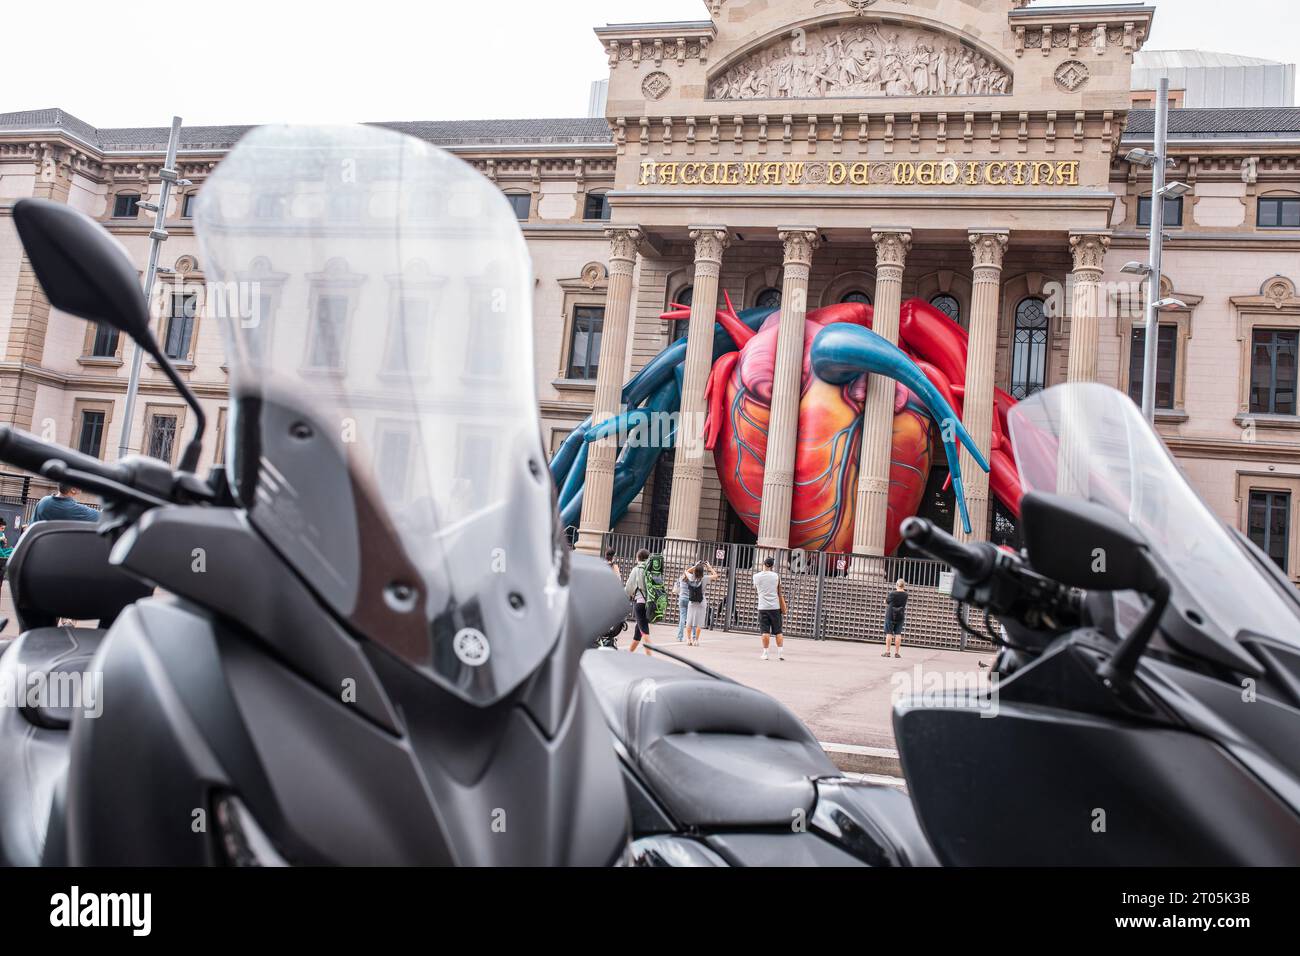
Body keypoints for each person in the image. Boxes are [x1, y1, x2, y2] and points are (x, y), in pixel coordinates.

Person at [753, 556, 785, 661]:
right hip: (775, 607)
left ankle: (765, 653)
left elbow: (756, 588)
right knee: (778, 631)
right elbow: (779, 591)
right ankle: (780, 653)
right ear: (772, 565)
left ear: (764, 563)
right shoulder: (776, 576)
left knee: (765, 631)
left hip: (763, 607)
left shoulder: (756, 576)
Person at [680, 561, 719, 647]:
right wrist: (709, 567)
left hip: (692, 601)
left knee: (689, 621)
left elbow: (685, 571)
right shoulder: (704, 578)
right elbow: (716, 576)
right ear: (702, 571)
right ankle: (696, 640)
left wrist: (695, 566)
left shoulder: (691, 577)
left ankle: (688, 639)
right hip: (701, 601)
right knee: (699, 622)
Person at [624, 549, 653, 656]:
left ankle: (650, 657)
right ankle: (629, 654)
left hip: (640, 603)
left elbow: (628, 588)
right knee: (639, 630)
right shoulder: (652, 570)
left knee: (644, 631)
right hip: (651, 604)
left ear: (638, 558)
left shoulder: (637, 569)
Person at [32, 483, 99, 523]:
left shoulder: (44, 500)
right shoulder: (75, 510)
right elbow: (101, 516)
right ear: (73, 490)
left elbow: (31, 524)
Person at [883, 579, 909, 658]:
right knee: (898, 634)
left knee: (889, 633)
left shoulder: (892, 593)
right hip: (900, 615)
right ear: (904, 585)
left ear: (896, 585)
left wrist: (885, 601)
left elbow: (886, 602)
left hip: (890, 615)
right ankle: (897, 653)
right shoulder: (905, 595)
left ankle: (887, 652)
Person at [674, 573, 690, 643]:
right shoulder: (692, 579)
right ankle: (690, 637)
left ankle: (680, 637)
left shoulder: (681, 578)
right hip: (689, 600)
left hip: (682, 599)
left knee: (682, 618)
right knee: (690, 619)